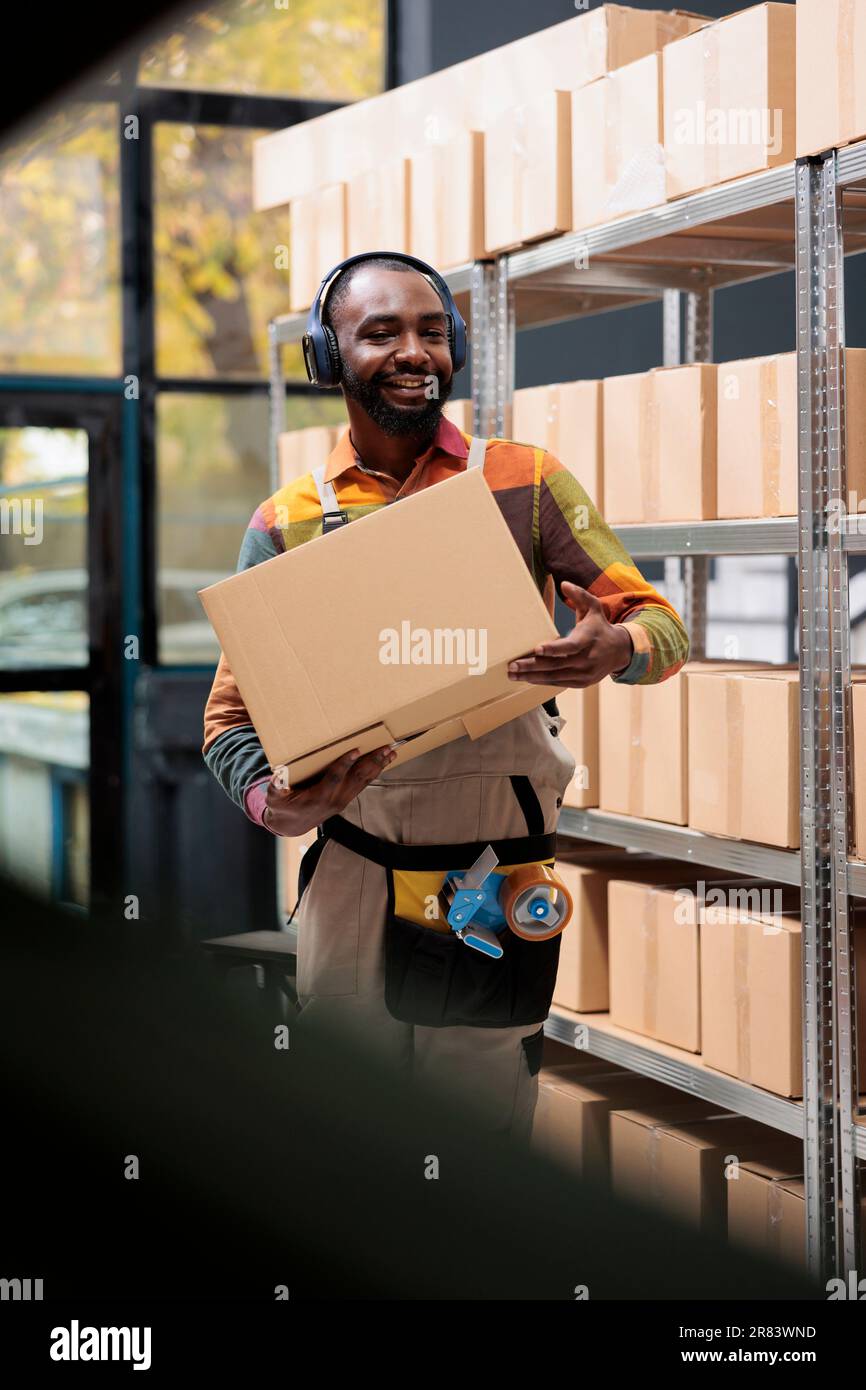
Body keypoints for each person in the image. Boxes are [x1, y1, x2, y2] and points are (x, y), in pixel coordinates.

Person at [202, 252, 689, 1143]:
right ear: (328, 356)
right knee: (345, 1139)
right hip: (353, 874)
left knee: (478, 1145)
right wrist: (273, 803)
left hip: (494, 877)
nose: (414, 351)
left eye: (432, 330)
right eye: (381, 332)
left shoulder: (525, 481)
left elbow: (665, 630)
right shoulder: (285, 523)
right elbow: (230, 724)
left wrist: (614, 646)